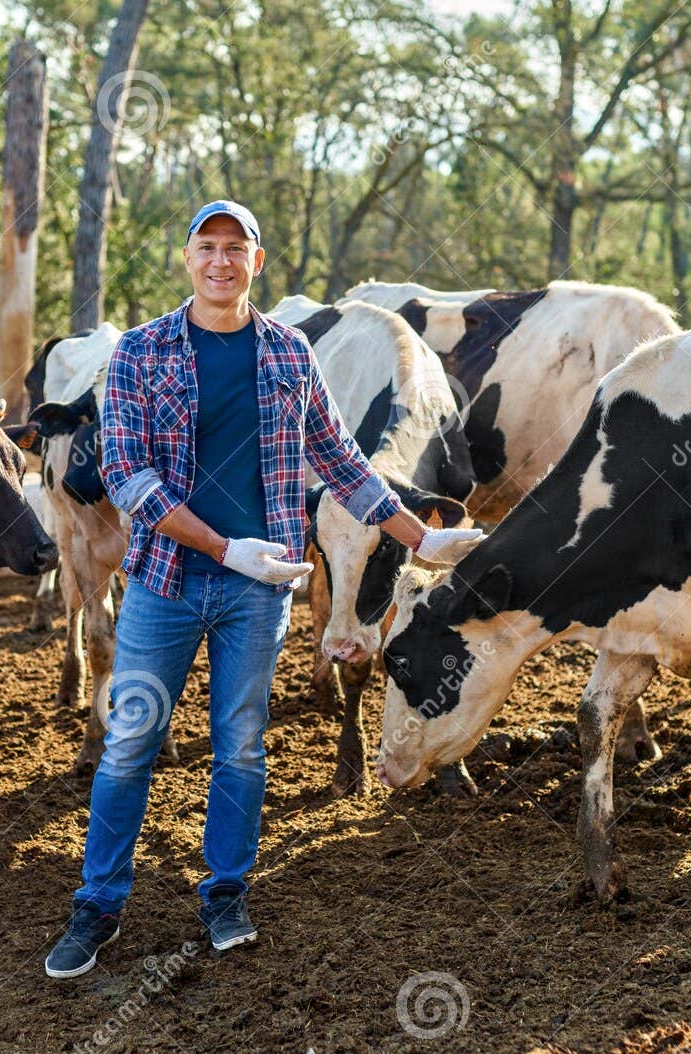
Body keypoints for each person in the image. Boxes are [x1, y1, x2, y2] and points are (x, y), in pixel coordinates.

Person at [44, 200, 482, 978]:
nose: (220, 261)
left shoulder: (288, 354)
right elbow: (127, 476)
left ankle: (225, 893)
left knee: (241, 745)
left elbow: (343, 459)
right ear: (187, 258)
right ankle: (99, 903)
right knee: (130, 743)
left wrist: (422, 536)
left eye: (235, 248)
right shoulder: (142, 354)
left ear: (258, 259)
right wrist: (222, 546)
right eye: (206, 247)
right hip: (163, 585)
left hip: (260, 592)